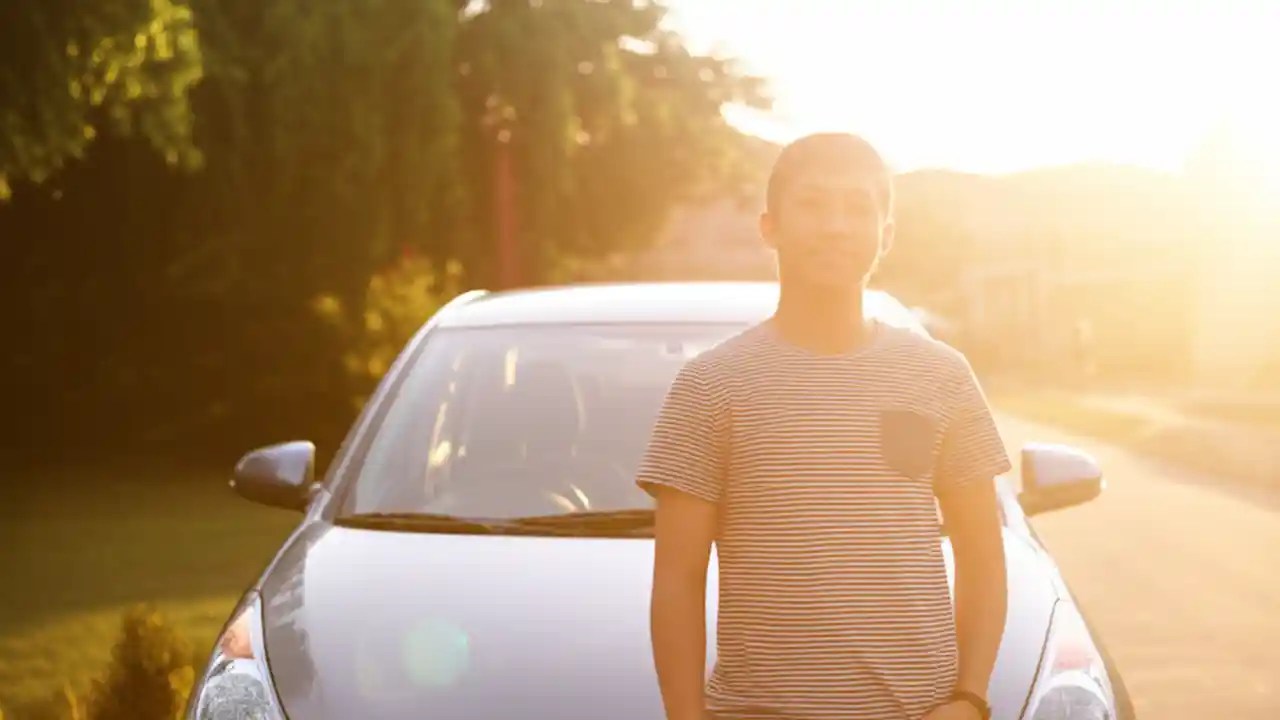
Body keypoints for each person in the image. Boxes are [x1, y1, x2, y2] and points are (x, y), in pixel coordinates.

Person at [636, 133, 1011, 720]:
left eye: (857, 207)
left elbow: (983, 556)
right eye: (812, 204)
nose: (836, 225)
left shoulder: (939, 375)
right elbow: (678, 581)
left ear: (885, 235)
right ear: (770, 228)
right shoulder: (710, 386)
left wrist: (969, 698)